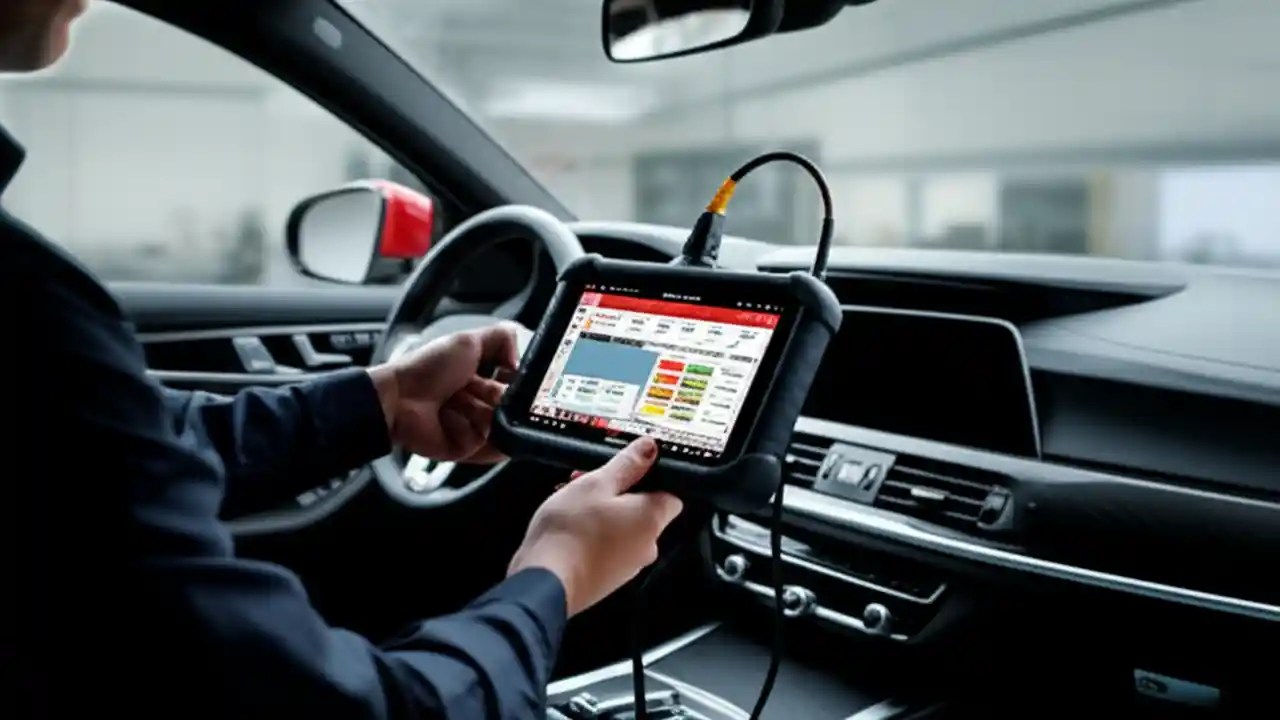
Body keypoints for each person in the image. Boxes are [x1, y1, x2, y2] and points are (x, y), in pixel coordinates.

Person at [2, 1, 684, 717]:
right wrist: (556, 573)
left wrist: (385, 401)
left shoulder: (32, 309)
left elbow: (96, 457)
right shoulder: (29, 304)